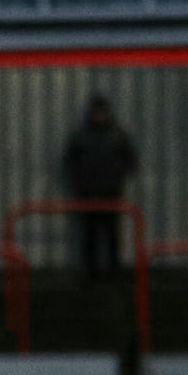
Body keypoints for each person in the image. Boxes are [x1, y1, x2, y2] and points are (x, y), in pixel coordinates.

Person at [63, 94, 138, 279]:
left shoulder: (117, 136)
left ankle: (114, 270)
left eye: (102, 112)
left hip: (110, 192)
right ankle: (91, 273)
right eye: (97, 112)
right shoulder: (81, 136)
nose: (100, 116)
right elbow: (70, 162)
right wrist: (81, 180)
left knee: (112, 233)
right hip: (88, 193)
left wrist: (115, 175)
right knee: (90, 234)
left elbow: (131, 160)